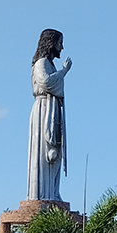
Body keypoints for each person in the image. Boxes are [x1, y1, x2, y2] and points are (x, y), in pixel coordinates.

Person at [26, 28, 71, 201]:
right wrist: (64, 72)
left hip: (53, 108)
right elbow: (46, 82)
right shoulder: (41, 63)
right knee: (44, 153)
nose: (62, 48)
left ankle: (52, 193)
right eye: (60, 43)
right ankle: (41, 194)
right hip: (44, 109)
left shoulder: (49, 64)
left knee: (55, 155)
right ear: (51, 44)